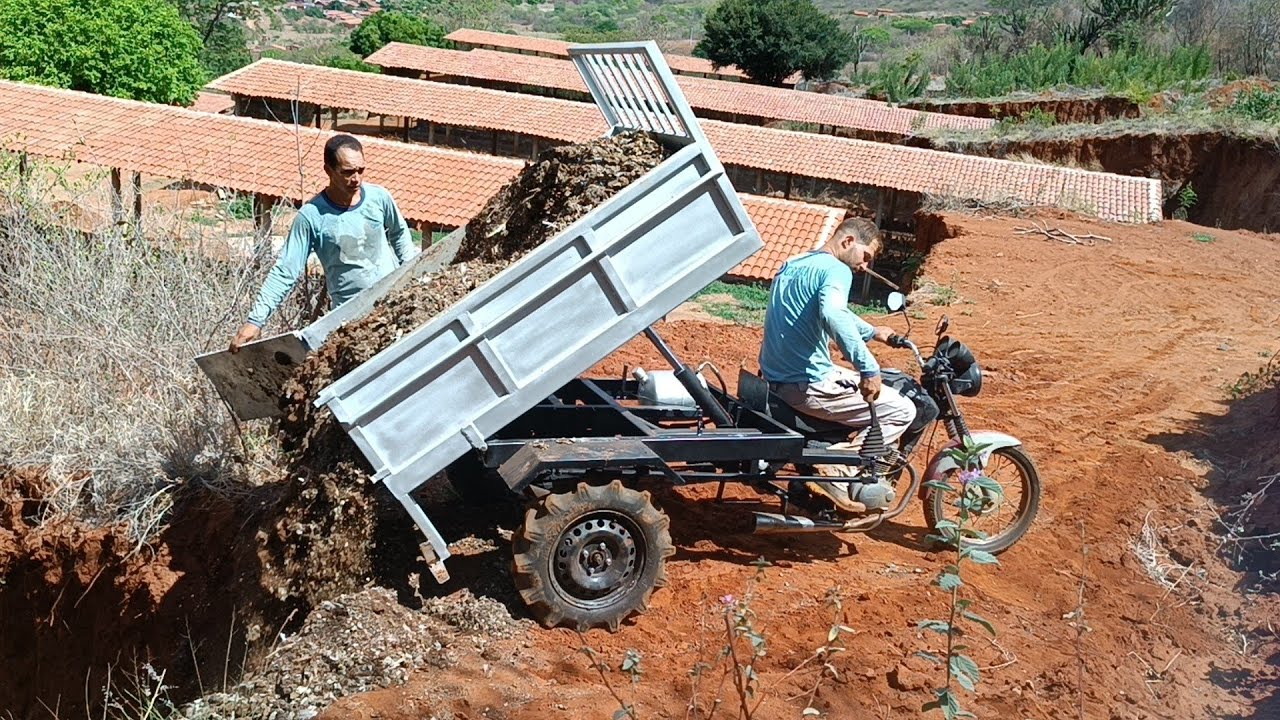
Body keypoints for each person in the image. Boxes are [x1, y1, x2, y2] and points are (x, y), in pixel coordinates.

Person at [759, 216, 916, 513]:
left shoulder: (796, 263)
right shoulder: (837, 269)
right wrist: (868, 367)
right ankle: (838, 469)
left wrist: (872, 332)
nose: (864, 266)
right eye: (865, 256)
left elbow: (828, 310)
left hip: (778, 376)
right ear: (847, 242)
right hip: (808, 383)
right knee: (903, 409)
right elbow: (833, 314)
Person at [229, 134, 418, 352]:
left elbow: (399, 232)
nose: (356, 179)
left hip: (394, 303)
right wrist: (255, 320)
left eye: (360, 170)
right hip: (352, 320)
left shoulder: (379, 198)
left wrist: (412, 271)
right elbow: (286, 270)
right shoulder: (311, 217)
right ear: (328, 170)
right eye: (347, 172)